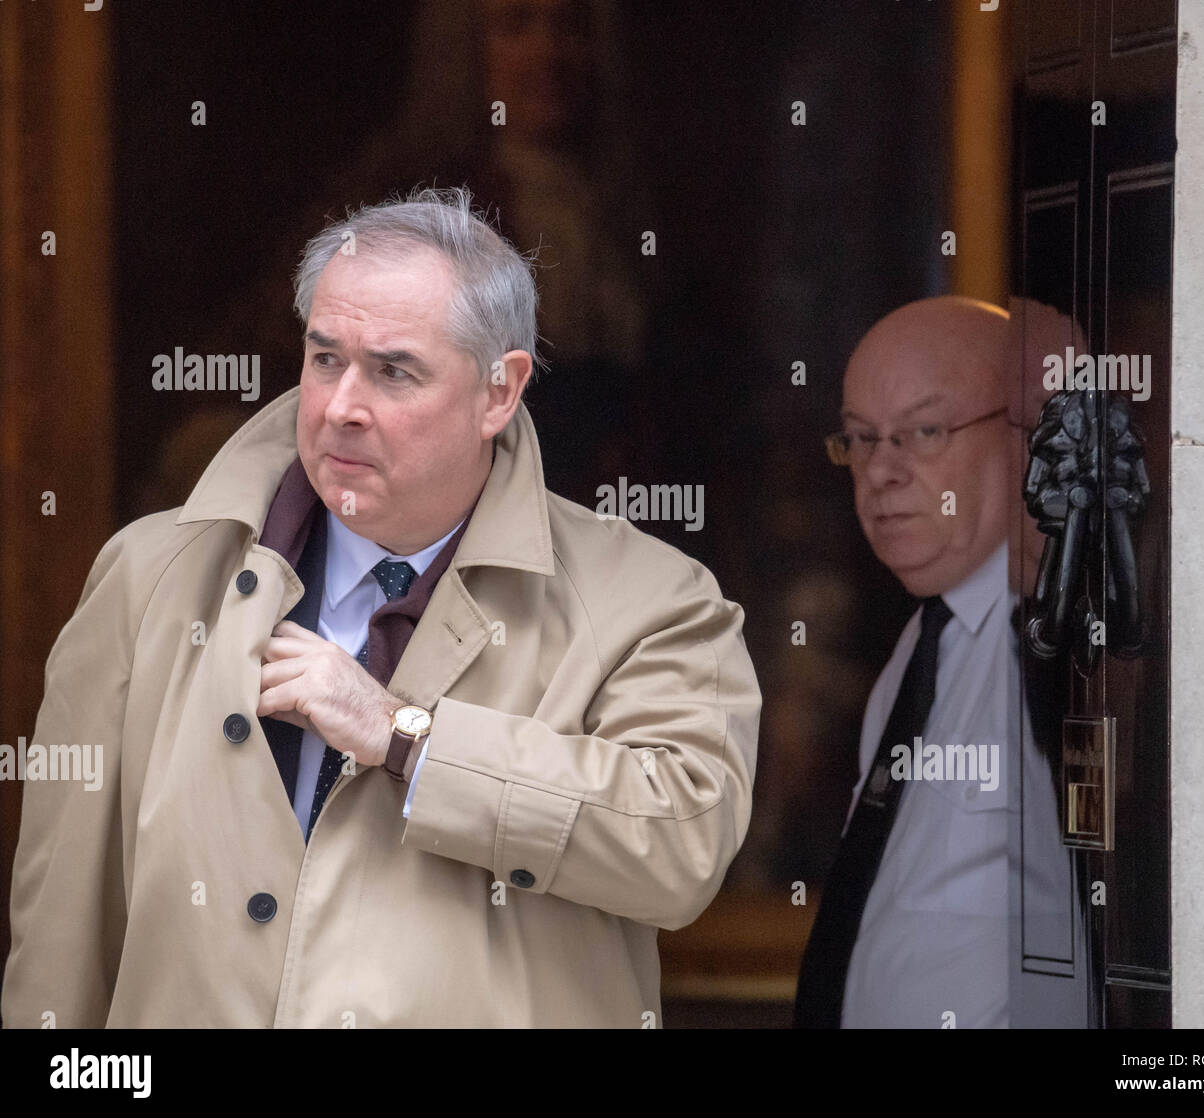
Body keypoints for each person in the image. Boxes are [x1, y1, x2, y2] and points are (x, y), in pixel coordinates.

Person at [2, 187, 761, 1029]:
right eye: (325, 359)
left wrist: (410, 740)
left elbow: (682, 848)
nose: (340, 408)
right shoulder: (149, 578)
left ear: (498, 393)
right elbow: (60, 936)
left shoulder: (654, 601)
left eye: (393, 371)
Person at [794, 295, 1087, 1029]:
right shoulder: (917, 651)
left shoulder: (1063, 648)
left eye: (924, 431)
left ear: (1023, 435)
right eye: (860, 439)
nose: (881, 472)